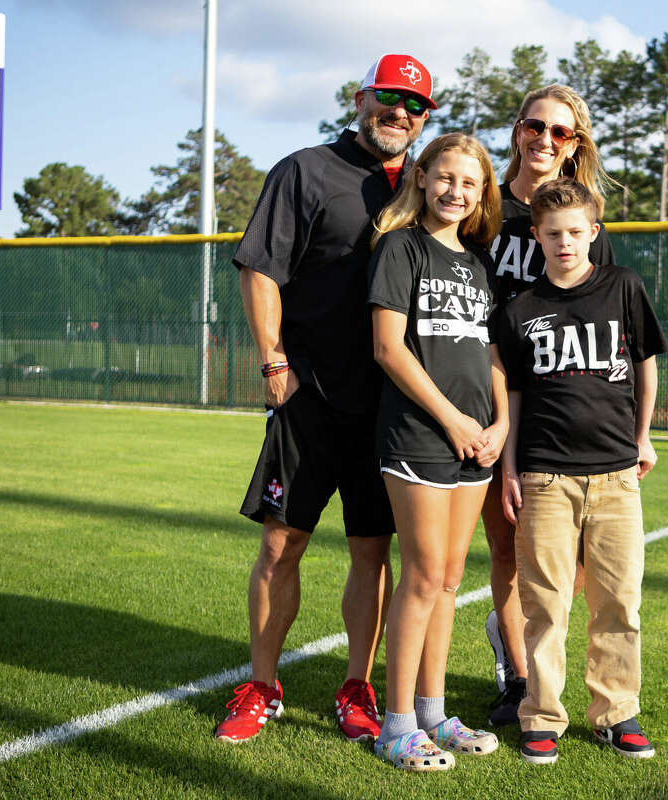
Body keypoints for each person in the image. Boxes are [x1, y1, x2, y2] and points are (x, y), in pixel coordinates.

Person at [214, 54, 436, 744]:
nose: (398, 112)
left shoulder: (429, 188)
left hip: (390, 407)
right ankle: (261, 684)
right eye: (387, 97)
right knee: (281, 545)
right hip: (309, 391)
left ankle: (356, 687)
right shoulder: (305, 170)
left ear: (426, 118)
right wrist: (275, 361)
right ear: (361, 96)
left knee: (373, 553)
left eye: (414, 105)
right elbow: (259, 268)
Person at [497, 179, 668, 765]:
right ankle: (543, 716)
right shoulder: (520, 310)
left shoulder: (623, 287)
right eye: (552, 234)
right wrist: (511, 469)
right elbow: (514, 398)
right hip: (546, 477)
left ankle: (616, 713)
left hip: (617, 476)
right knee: (545, 605)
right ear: (537, 237)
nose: (564, 242)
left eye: (575, 232)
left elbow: (644, 367)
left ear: (593, 232)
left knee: (618, 601)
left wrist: (643, 436)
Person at [367, 132, 507, 772]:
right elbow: (389, 349)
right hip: (421, 437)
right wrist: (452, 420)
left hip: (475, 443)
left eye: (470, 183)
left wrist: (498, 424)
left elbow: (491, 356)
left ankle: (432, 711)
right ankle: (395, 725)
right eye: (445, 177)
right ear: (422, 178)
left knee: (450, 581)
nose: (456, 191)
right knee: (422, 578)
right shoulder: (401, 247)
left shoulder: (479, 263)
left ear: (483, 195)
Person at [483, 84, 617, 727]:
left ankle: (576, 681)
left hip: (565, 413)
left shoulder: (584, 218)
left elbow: (607, 320)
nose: (544, 139)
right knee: (507, 552)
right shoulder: (481, 205)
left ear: (576, 144)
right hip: (487, 398)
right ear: (516, 129)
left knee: (584, 569)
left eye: (561, 132)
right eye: (534, 125)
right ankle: (518, 677)